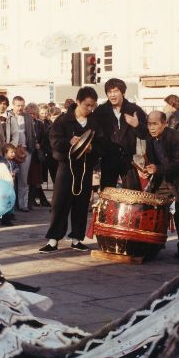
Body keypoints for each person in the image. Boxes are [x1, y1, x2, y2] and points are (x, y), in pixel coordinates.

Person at [39, 86, 102, 254]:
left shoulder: (94, 122)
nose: (89, 109)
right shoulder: (63, 120)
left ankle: (77, 238)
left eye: (92, 106)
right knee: (60, 202)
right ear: (78, 102)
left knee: (81, 203)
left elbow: (102, 145)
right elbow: (54, 142)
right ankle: (53, 240)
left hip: (85, 167)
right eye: (86, 105)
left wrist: (91, 149)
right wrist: (69, 142)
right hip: (66, 167)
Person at [92, 78, 148, 190]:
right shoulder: (100, 111)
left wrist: (136, 124)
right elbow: (95, 136)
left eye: (115, 91)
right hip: (107, 159)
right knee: (107, 195)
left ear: (123, 92)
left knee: (133, 195)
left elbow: (145, 134)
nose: (112, 95)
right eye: (109, 92)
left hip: (128, 159)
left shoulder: (134, 109)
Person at [144, 109, 179, 209]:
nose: (151, 128)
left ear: (165, 124)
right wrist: (147, 170)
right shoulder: (150, 139)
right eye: (149, 124)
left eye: (155, 124)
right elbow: (151, 162)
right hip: (161, 180)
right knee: (149, 205)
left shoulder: (175, 137)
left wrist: (157, 169)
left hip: (178, 180)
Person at [6, 96, 37, 211]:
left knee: (23, 180)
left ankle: (22, 204)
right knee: (10, 179)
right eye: (18, 105)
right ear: (13, 105)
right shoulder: (8, 116)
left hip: (25, 151)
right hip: (11, 151)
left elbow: (32, 134)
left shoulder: (27, 117)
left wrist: (31, 148)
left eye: (22, 105)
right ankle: (10, 205)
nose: (20, 108)